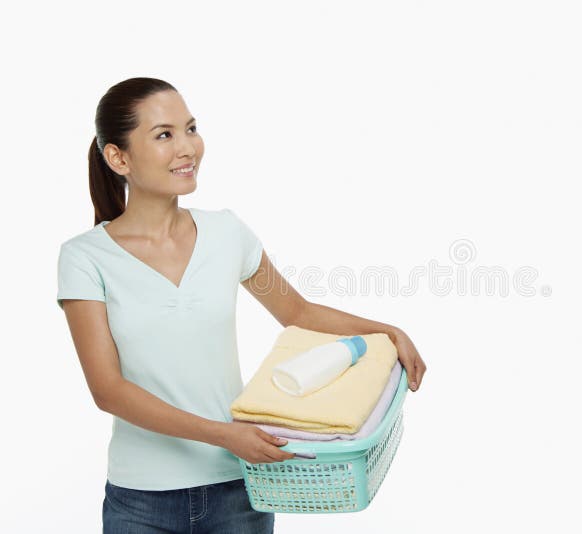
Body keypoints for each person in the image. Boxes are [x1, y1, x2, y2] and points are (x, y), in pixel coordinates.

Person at [56, 77, 427, 534]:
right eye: (164, 135)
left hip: (241, 491)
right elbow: (107, 389)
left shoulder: (227, 234)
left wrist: (389, 332)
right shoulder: (85, 258)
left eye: (191, 129)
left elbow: (297, 313)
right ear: (118, 157)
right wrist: (224, 435)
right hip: (141, 501)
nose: (187, 147)